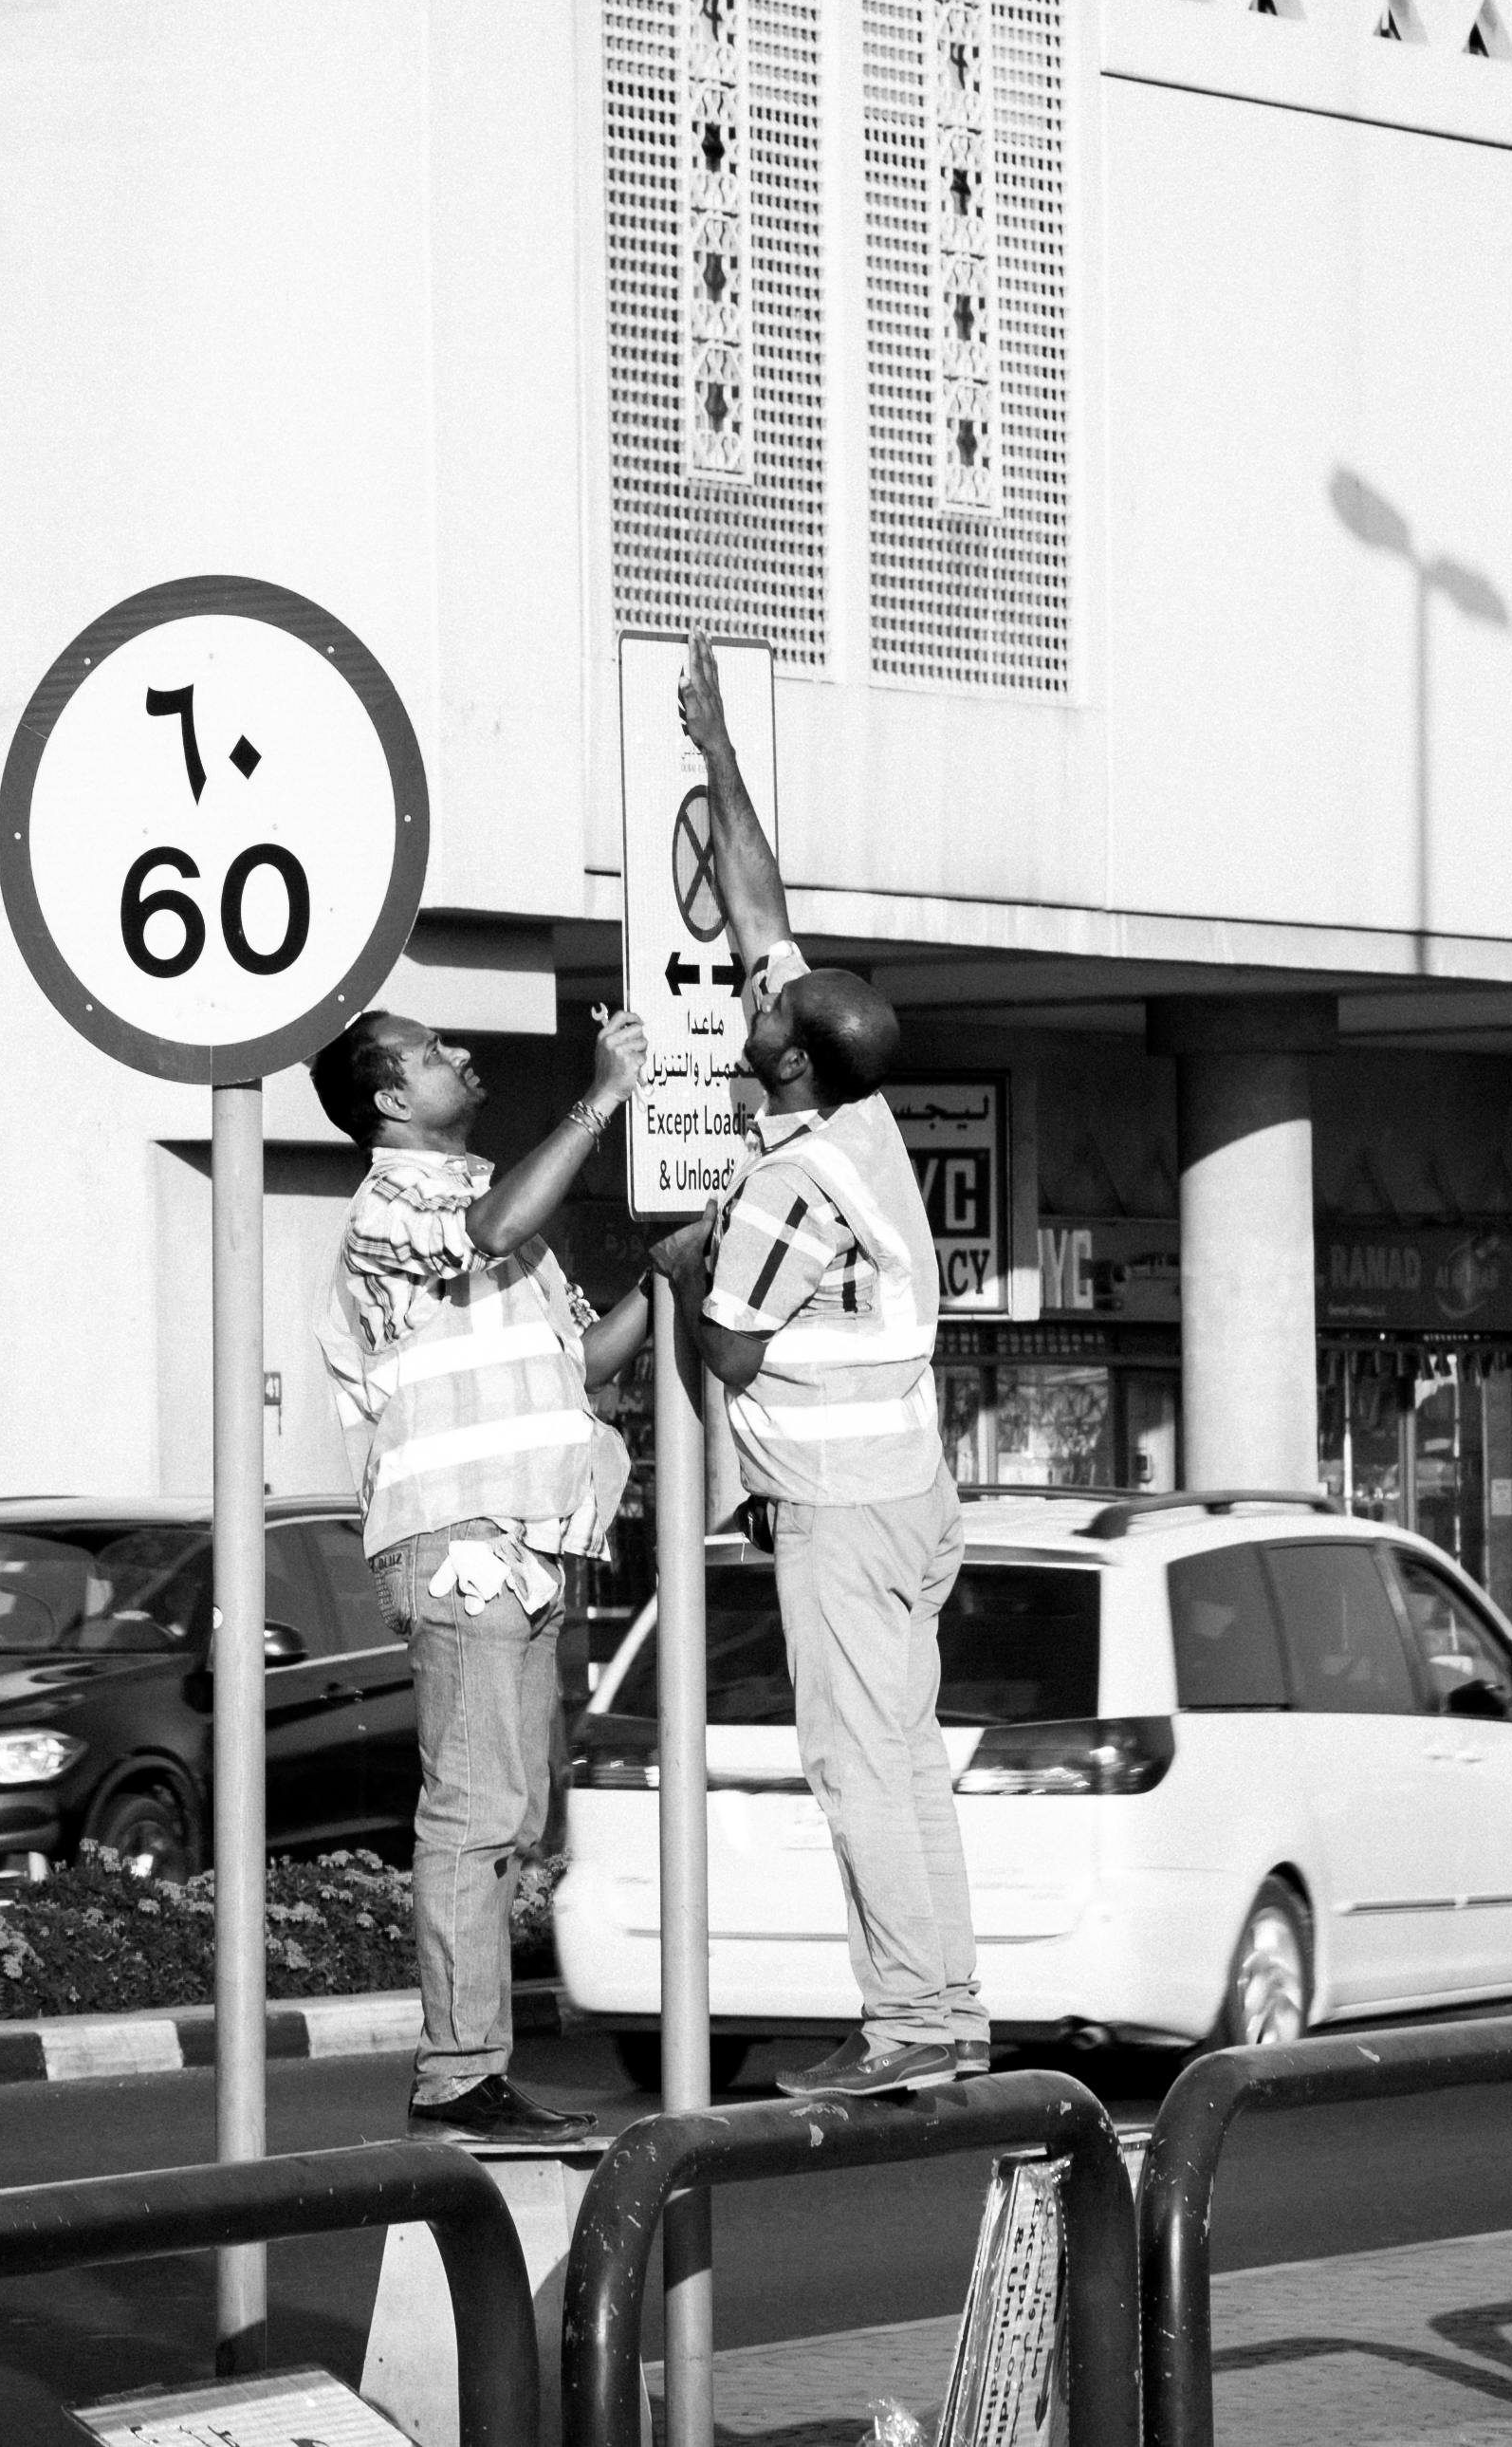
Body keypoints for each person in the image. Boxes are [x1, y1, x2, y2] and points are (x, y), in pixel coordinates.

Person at [648, 633, 983, 2097]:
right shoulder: (858, 1109)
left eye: (771, 1002)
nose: (757, 988)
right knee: (904, 1760)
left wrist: (680, 1261)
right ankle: (946, 2008)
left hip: (844, 1514)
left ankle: (904, 2025)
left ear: (788, 1057)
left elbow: (727, 1344)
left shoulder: (792, 1182)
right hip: (909, 1494)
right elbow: (763, 911)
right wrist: (716, 753)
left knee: (857, 1767)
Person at [314, 1000, 652, 2143]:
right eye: (430, 1052)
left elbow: (583, 1363)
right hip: (458, 1545)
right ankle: (457, 2074)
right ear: (390, 1099)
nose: (460, 1054)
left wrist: (664, 1280)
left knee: (513, 1811)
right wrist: (601, 1100)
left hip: (530, 1548)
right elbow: (488, 1233)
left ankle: (476, 2067)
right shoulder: (386, 1207)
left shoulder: (499, 1210)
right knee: (472, 1807)